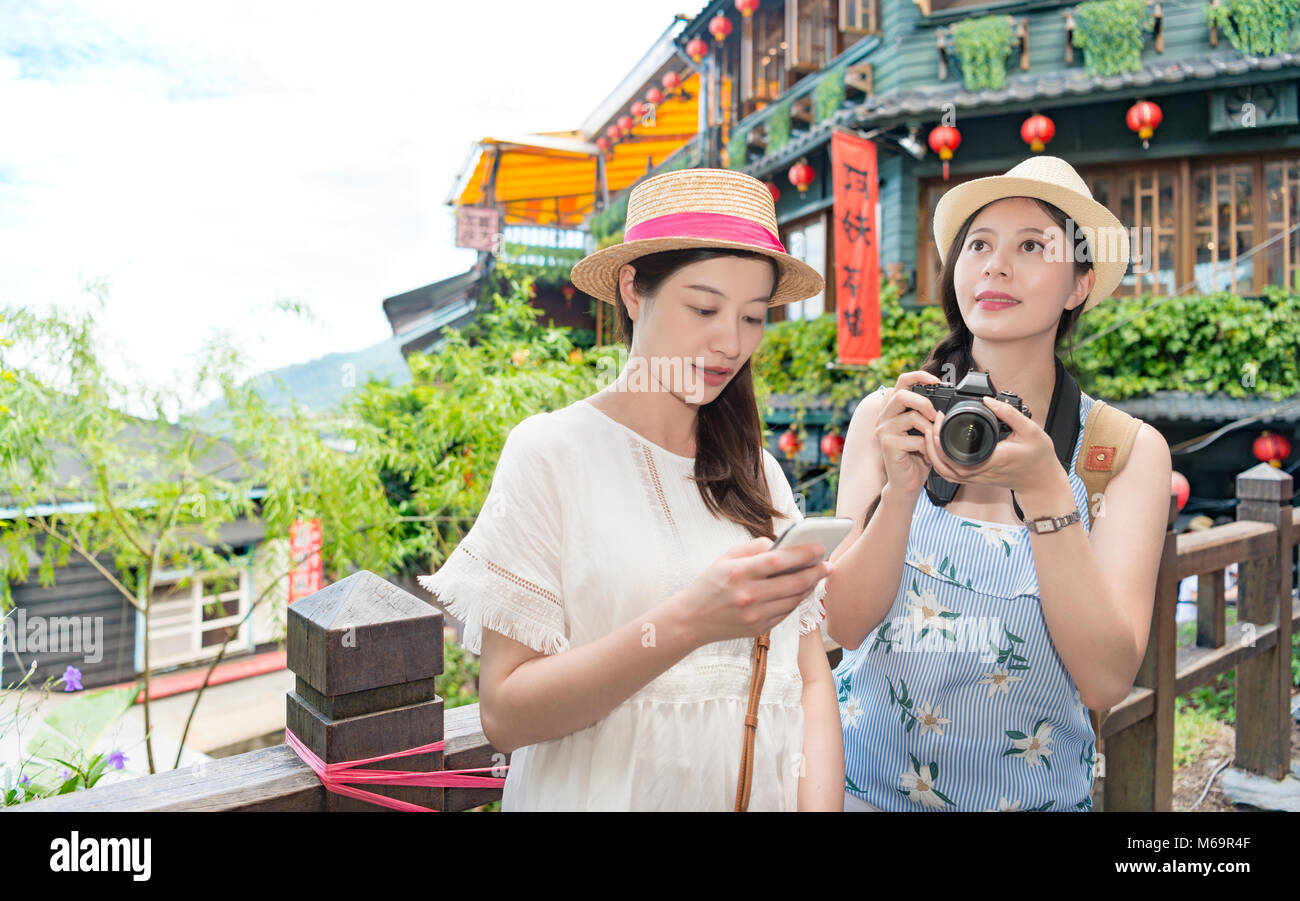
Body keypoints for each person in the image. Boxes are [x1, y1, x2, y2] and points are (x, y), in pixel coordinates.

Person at [420, 168, 844, 810]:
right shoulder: (552, 453)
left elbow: (810, 681)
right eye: (703, 308)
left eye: (753, 317)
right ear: (633, 292)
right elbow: (504, 714)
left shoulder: (759, 471)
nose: (730, 342)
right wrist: (688, 621)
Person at [824, 155, 1172, 811]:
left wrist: (1047, 493)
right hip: (861, 792)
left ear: (1079, 284)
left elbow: (1105, 680)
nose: (996, 265)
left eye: (1032, 245)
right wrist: (900, 493)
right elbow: (841, 623)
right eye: (978, 244)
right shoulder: (889, 417)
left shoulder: (1120, 452)